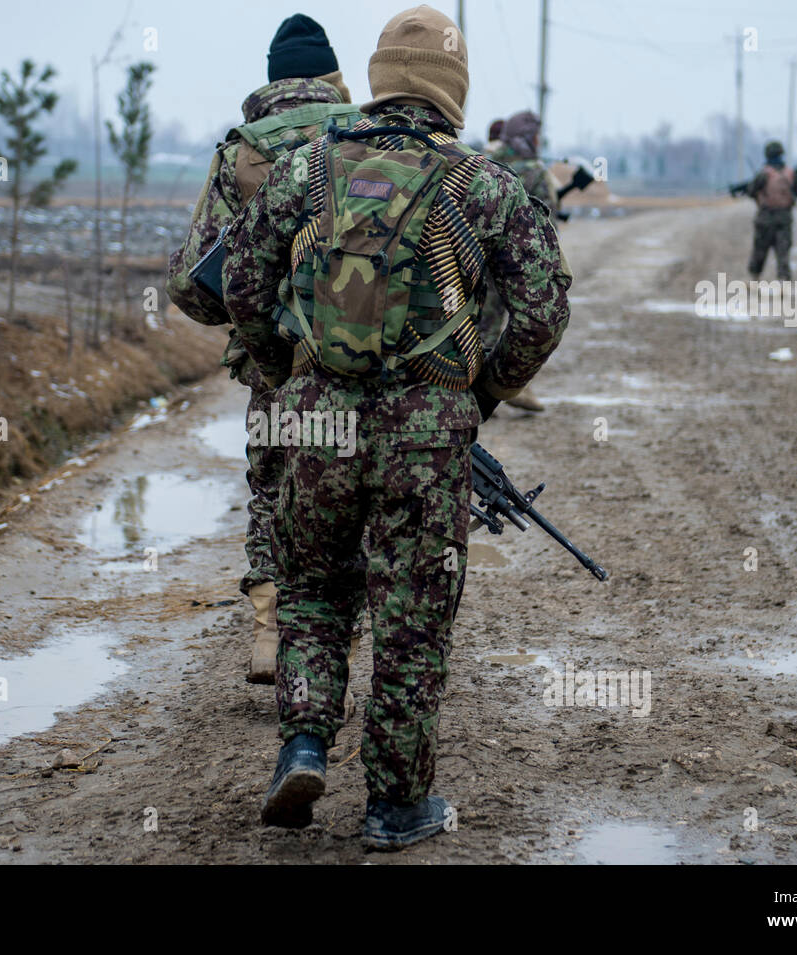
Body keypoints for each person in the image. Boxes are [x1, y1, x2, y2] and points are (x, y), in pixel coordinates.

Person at [221, 4, 571, 850]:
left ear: (378, 77)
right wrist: (481, 391)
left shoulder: (306, 169)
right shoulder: (482, 183)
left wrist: (284, 371)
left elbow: (239, 283)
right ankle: (394, 805)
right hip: (426, 429)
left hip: (316, 422)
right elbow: (544, 307)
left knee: (310, 588)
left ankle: (304, 740)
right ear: (452, 88)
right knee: (412, 613)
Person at [166, 14, 362, 688]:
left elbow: (192, 286)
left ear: (273, 78)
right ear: (333, 77)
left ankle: (271, 632)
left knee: (275, 491)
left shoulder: (243, 154)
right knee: (355, 494)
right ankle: (338, 639)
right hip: (366, 365)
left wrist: (248, 311)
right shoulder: (368, 137)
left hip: (275, 365)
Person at [481, 109, 561, 412]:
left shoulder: (486, 164)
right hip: (522, 265)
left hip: (483, 259)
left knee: (483, 326)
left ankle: (477, 394)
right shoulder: (536, 171)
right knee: (527, 326)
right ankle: (507, 389)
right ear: (528, 137)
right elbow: (548, 218)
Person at [743, 140, 797, 281]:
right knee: (783, 254)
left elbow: (751, 191)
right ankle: (783, 283)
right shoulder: (790, 173)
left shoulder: (764, 174)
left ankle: (754, 280)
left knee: (759, 252)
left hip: (765, 218)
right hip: (784, 218)